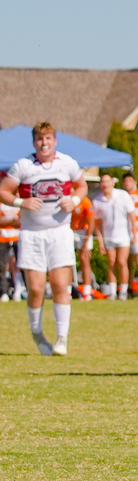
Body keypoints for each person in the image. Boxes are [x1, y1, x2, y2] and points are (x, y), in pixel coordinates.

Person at [0, 122, 87, 355]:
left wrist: (75, 201)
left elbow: (82, 186)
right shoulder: (24, 165)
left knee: (61, 285)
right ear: (34, 143)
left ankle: (62, 338)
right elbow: (3, 190)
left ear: (55, 141)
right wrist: (21, 202)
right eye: (40, 139)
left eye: (48, 139)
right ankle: (37, 334)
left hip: (60, 233)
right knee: (36, 289)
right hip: (32, 234)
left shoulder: (67, 163)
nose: (44, 143)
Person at [92, 174, 136, 300]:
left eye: (107, 181)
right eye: (102, 182)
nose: (105, 184)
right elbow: (98, 223)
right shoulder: (98, 201)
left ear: (112, 182)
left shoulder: (123, 195)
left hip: (123, 236)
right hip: (109, 237)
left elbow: (132, 215)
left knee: (122, 262)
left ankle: (123, 290)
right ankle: (112, 291)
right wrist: (100, 242)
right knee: (111, 262)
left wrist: (134, 234)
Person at [70, 195, 95, 300]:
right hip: (70, 230)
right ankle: (69, 291)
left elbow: (91, 222)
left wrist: (85, 243)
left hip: (83, 232)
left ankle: (87, 291)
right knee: (67, 261)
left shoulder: (85, 201)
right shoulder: (66, 200)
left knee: (84, 260)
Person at [0, 201, 19, 301]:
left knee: (22, 266)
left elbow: (23, 220)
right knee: (2, 267)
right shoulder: (1, 203)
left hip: (18, 237)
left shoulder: (19, 202)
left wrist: (6, 221)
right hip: (2, 238)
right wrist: (13, 221)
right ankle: (3, 292)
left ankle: (20, 291)